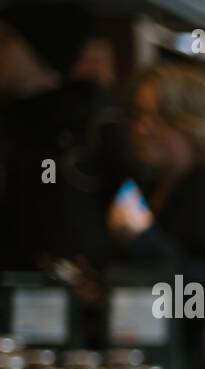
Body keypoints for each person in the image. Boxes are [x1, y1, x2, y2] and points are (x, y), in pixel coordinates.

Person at [0, 1, 128, 282]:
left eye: (7, 40)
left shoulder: (98, 127)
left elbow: (139, 233)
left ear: (41, 52)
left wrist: (104, 279)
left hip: (81, 313)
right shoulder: (12, 127)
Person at [108, 60, 205, 284]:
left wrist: (143, 241)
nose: (142, 128)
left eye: (159, 118)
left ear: (193, 125)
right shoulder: (148, 189)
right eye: (139, 115)